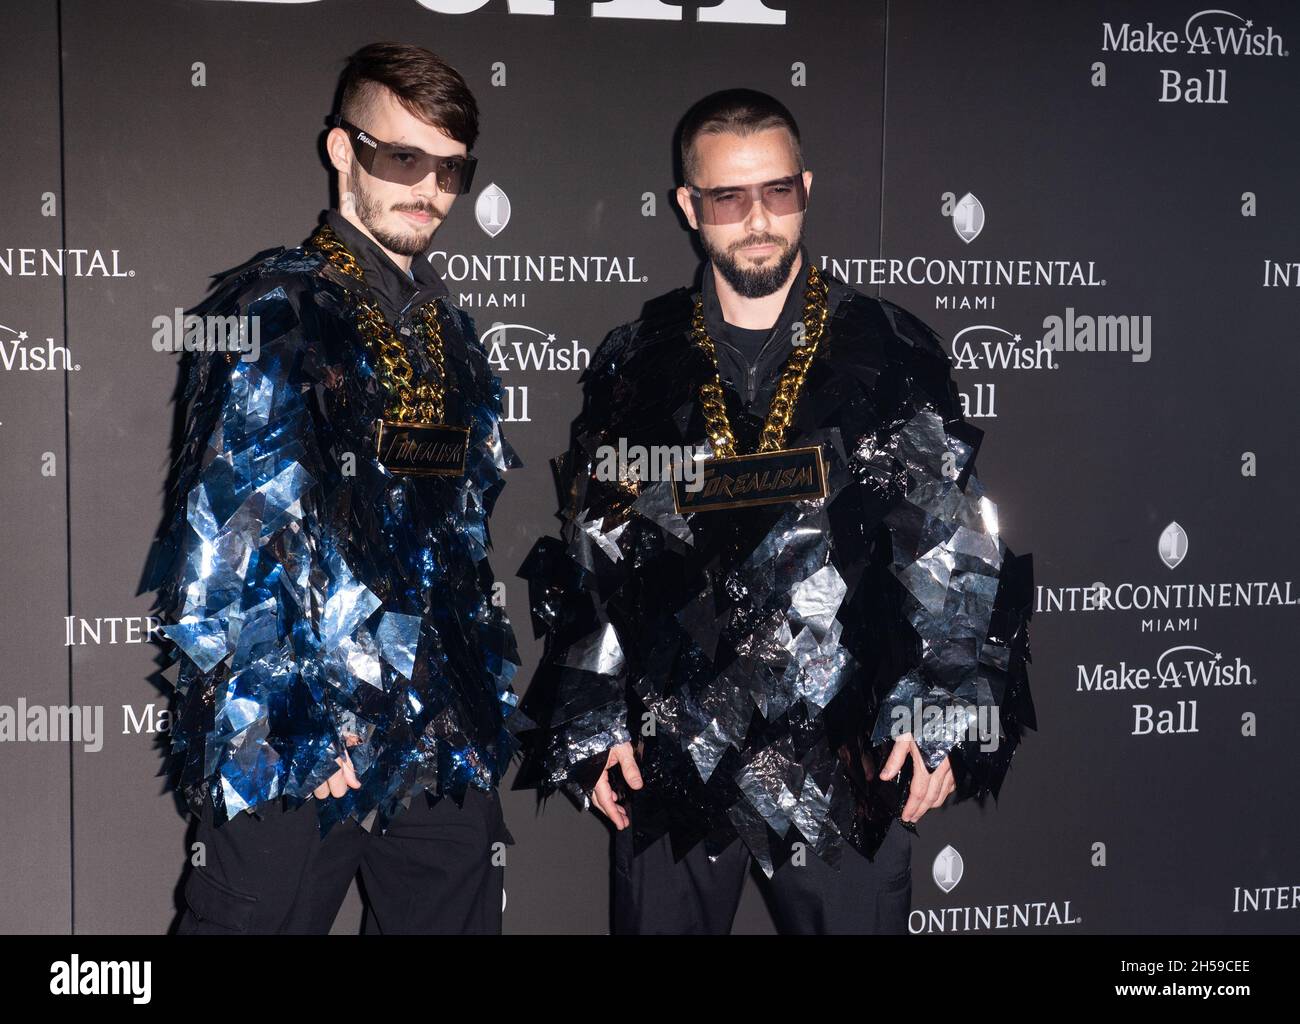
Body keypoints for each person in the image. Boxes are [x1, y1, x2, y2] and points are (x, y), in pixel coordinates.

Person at [513, 88, 1035, 935]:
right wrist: (593, 714)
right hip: (673, 750)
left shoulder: (889, 349)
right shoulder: (636, 362)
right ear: (690, 207)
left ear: (806, 189)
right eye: (728, 197)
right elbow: (593, 550)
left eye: (778, 191)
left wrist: (942, 709)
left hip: (844, 754)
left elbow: (952, 542)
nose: (758, 219)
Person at [148, 42, 520, 934]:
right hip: (298, 742)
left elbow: (462, 542)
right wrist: (286, 721)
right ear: (342, 151)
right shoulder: (273, 306)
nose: (429, 188)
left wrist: (467, 704)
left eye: (451, 170)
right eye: (403, 159)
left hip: (436, 736)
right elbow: (226, 541)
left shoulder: (452, 337)